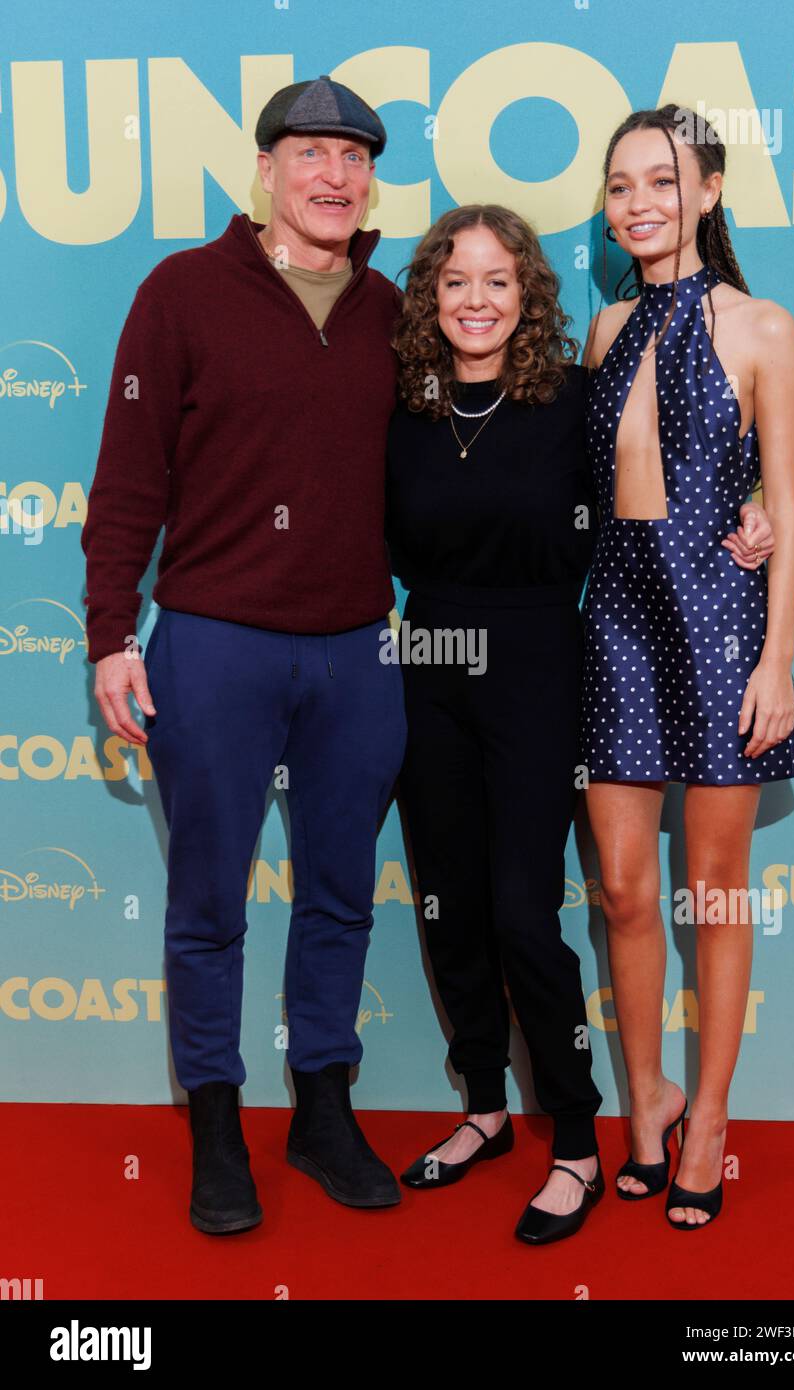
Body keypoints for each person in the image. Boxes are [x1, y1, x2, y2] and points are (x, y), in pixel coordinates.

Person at [385, 204, 775, 1244]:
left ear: (529, 296)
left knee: (524, 912)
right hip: (426, 663)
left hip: (541, 667)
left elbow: (668, 458)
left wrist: (755, 502)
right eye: (456, 281)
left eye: (499, 281)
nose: (476, 300)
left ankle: (571, 1139)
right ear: (431, 296)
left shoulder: (571, 397)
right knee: (449, 908)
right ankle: (482, 1106)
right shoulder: (403, 402)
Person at [81, 76, 407, 1232]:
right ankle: (215, 1124)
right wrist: (112, 634)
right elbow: (128, 480)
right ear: (264, 169)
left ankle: (322, 1107)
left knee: (339, 894)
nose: (335, 176)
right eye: (311, 153)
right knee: (208, 902)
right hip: (213, 643)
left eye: (355, 158)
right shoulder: (180, 293)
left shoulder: (390, 307)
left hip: (358, 651)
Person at [578, 105, 794, 1229]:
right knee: (624, 891)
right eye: (620, 186)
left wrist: (777, 659)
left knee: (711, 895)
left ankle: (711, 1117)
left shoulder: (763, 326)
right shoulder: (602, 327)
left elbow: (787, 499)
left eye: (662, 182)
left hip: (722, 629)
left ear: (709, 192)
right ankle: (648, 1101)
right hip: (617, 623)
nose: (638, 203)